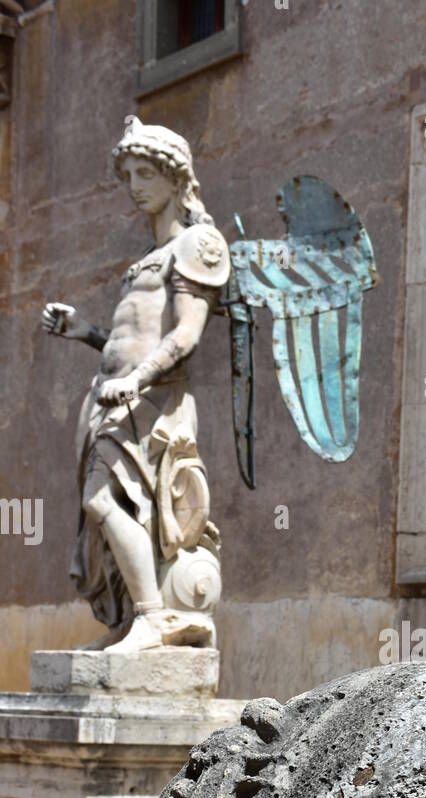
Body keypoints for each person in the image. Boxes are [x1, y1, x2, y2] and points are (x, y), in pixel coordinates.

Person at [42, 116, 229, 653]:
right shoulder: (144, 260)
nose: (135, 186)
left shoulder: (199, 245)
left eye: (146, 173)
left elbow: (186, 335)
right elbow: (130, 341)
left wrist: (135, 383)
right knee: (115, 516)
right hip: (114, 400)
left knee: (102, 501)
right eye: (128, 175)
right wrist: (86, 332)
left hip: (154, 404)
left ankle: (155, 618)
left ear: (177, 180)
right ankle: (129, 622)